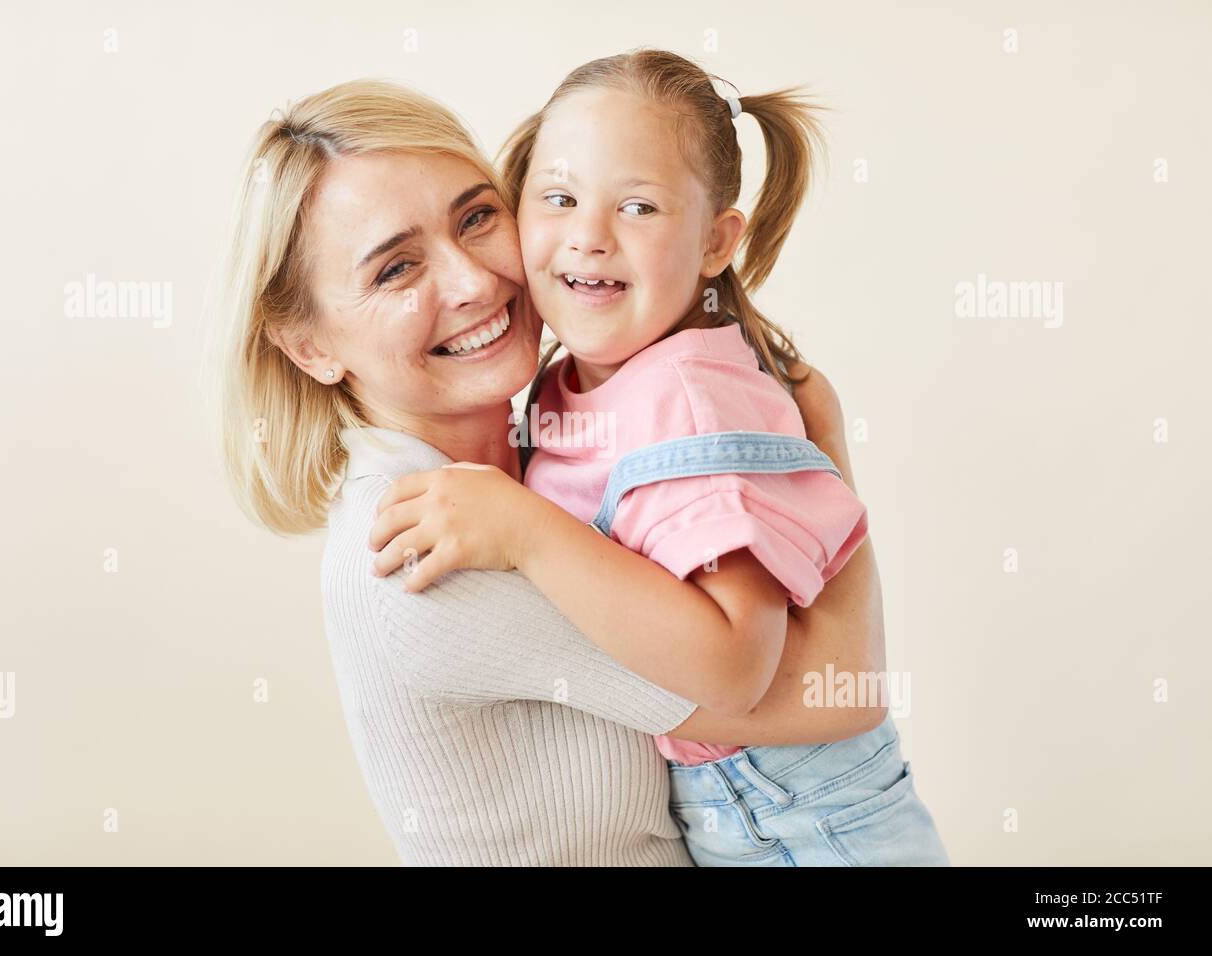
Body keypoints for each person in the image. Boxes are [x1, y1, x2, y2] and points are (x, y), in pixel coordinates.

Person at [212, 77, 894, 865]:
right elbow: (837, 690)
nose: (474, 282)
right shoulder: (417, 555)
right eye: (395, 270)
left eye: (475, 218)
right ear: (309, 347)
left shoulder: (546, 445)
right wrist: (820, 444)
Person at [370, 51, 949, 867]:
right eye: (560, 199)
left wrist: (525, 532)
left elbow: (737, 666)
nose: (590, 237)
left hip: (800, 820)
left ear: (716, 242)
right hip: (746, 809)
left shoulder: (686, 400)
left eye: (638, 207)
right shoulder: (574, 381)